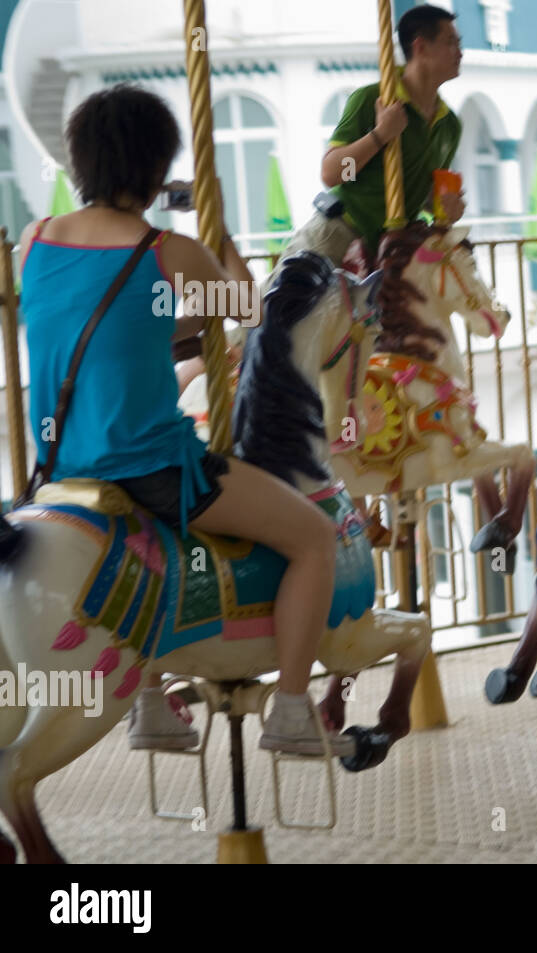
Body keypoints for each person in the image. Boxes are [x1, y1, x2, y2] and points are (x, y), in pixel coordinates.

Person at [19, 85, 349, 757]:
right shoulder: (167, 252)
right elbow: (255, 315)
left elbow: (126, 326)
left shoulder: (34, 242)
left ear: (81, 161)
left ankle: (153, 704)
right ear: (154, 166)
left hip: (58, 473)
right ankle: (290, 708)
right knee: (316, 538)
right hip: (152, 470)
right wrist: (215, 224)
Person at [279, 4, 465, 269]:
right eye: (450, 42)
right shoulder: (371, 100)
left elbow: (420, 192)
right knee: (280, 305)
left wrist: (445, 206)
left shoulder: (449, 125)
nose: (460, 52)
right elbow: (333, 174)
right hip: (340, 232)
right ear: (421, 47)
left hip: (389, 249)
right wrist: (380, 135)